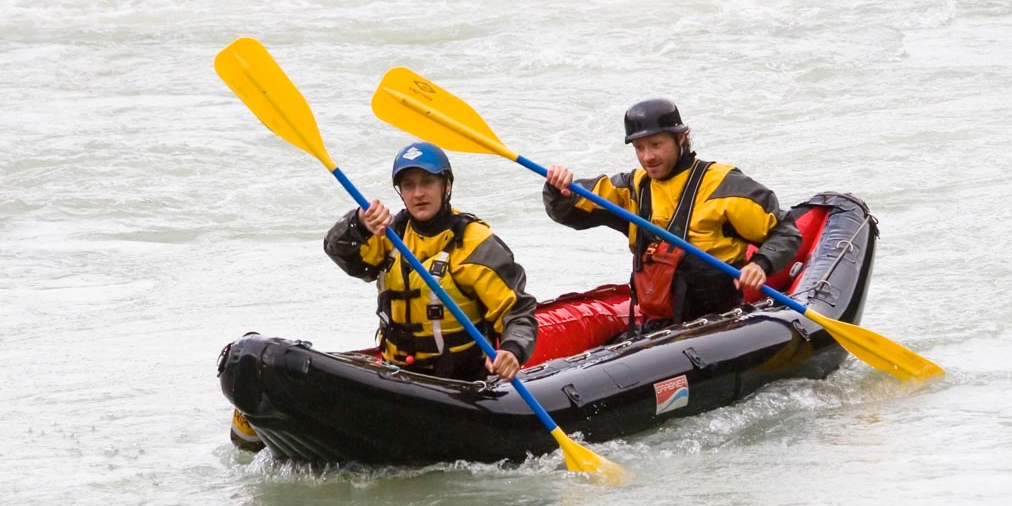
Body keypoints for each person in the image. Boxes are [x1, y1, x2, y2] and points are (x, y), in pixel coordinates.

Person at [543, 98, 802, 329]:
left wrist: (761, 263)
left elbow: (786, 231)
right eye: (639, 148)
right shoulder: (632, 188)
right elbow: (571, 211)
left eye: (656, 145)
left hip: (721, 322)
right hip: (658, 326)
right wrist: (557, 190)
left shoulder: (724, 186)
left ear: (680, 139)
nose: (648, 157)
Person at [324, 141, 537, 381]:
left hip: (464, 382)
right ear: (401, 192)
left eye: (427, 182)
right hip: (397, 374)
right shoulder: (387, 235)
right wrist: (359, 224)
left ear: (446, 186)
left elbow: (517, 313)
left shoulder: (475, 243)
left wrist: (512, 350)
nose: (418, 193)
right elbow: (339, 251)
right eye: (408, 185)